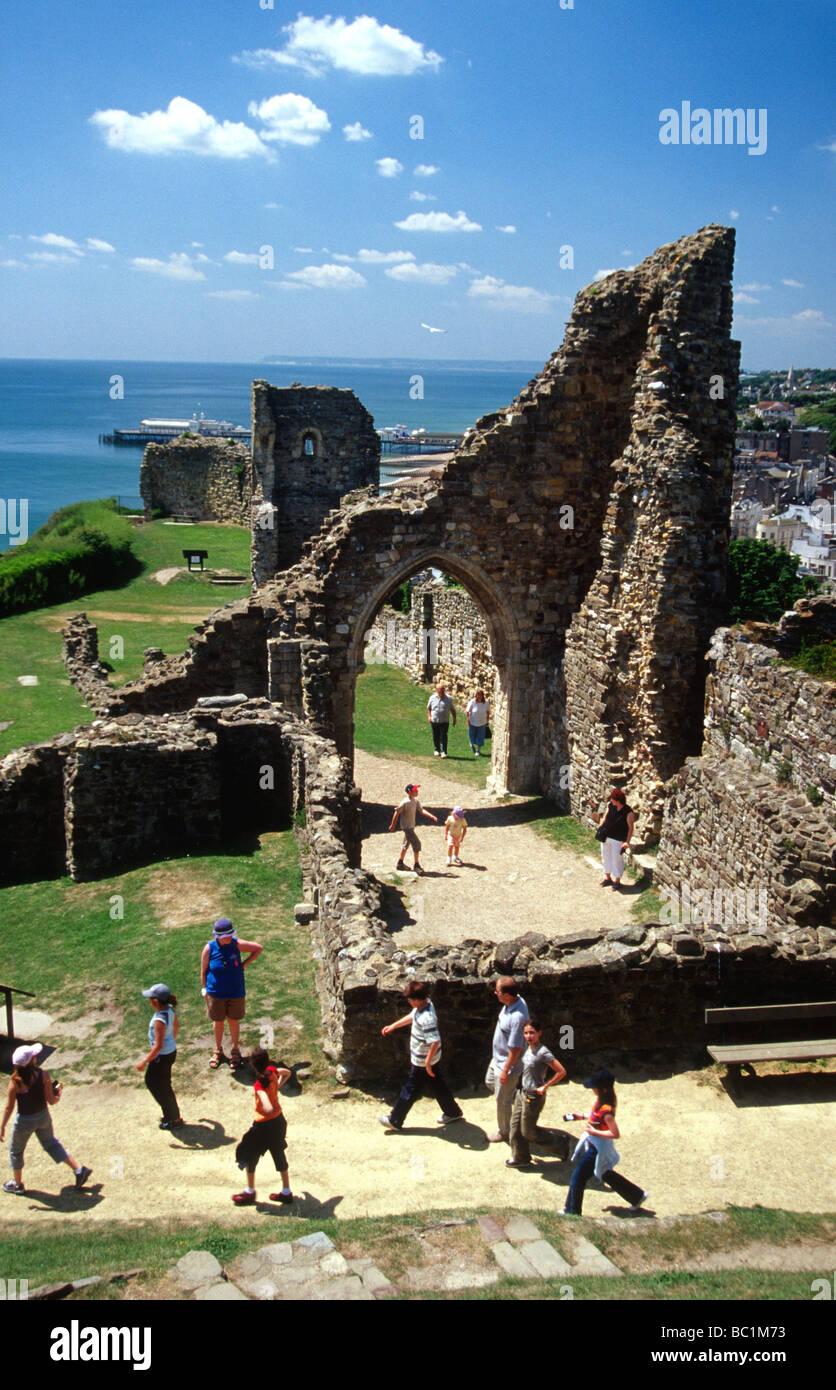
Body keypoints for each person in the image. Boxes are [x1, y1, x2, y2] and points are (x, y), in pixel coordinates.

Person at [1, 1044, 92, 1195]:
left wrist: (2, 1126)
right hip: (43, 1117)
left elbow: (9, 1107)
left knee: (16, 1151)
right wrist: (58, 1094)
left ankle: (17, 1184)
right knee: (51, 1144)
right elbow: (51, 1100)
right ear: (31, 1061)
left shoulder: (15, 1082)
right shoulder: (43, 1075)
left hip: (24, 1121)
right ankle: (78, 1170)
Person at [378, 981, 464, 1132]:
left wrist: (428, 1063)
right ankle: (453, 1112)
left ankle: (395, 1119)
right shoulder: (425, 1004)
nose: (409, 1002)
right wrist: (393, 1026)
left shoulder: (427, 1018)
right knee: (438, 1085)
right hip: (429, 1059)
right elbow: (412, 1017)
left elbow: (435, 1041)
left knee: (410, 1089)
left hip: (423, 1061)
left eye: (410, 999)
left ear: (417, 999)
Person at [561, 1068, 648, 1215]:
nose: (593, 1090)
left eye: (595, 1087)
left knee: (578, 1177)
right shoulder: (601, 1103)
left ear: (603, 1089)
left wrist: (593, 1131)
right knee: (604, 1173)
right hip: (595, 1145)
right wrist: (580, 1116)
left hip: (597, 1149)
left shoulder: (606, 1111)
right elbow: (595, 1117)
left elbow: (615, 1133)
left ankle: (572, 1212)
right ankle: (637, 1196)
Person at [232, 1048, 293, 1206]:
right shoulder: (273, 1071)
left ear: (252, 1065)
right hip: (279, 1121)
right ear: (267, 1061)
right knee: (278, 1154)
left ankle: (250, 1192)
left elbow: (267, 1107)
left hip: (263, 1126)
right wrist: (277, 1087)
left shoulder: (259, 1085)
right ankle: (286, 1192)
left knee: (248, 1154)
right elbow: (287, 1073)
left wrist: (268, 1105)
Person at [201, 918, 263, 1070]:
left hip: (235, 992)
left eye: (230, 935)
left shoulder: (236, 944)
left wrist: (243, 965)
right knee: (218, 1021)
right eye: (225, 937)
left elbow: (258, 948)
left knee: (234, 1020)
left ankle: (235, 1050)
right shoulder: (209, 949)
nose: (228, 939)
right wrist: (204, 989)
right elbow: (203, 971)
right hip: (216, 993)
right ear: (218, 937)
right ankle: (218, 1050)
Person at [506, 1019, 568, 1167]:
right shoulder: (527, 1049)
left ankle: (561, 1144)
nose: (529, 1036)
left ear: (539, 1033)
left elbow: (561, 1072)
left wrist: (545, 1086)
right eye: (526, 1033)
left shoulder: (543, 1052)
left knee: (528, 1132)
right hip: (522, 1093)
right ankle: (521, 1158)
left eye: (532, 1033)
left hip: (533, 1097)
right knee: (514, 1127)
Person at [485, 976, 529, 1143]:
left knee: (502, 1101)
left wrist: (505, 1071)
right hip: (497, 1059)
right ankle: (512, 1100)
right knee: (490, 1083)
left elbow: (516, 1048)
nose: (495, 993)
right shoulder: (513, 1002)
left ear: (507, 995)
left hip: (507, 1064)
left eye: (497, 991)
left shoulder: (518, 1017)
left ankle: (505, 1132)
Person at [136, 983, 182, 1130]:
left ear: (155, 1002)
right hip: (169, 1053)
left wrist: (144, 1061)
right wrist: (171, 1042)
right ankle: (173, 1115)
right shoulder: (170, 1010)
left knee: (153, 1083)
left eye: (150, 999)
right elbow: (176, 1027)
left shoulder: (159, 1021)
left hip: (161, 1057)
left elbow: (158, 1046)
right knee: (164, 1085)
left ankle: (172, 1118)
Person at [389, 782, 438, 873]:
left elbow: (421, 810)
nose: (417, 791)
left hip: (411, 826)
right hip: (407, 827)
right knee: (416, 844)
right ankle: (416, 865)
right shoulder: (405, 802)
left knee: (406, 844)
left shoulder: (415, 801)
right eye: (415, 790)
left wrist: (431, 816)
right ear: (409, 792)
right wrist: (393, 824)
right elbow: (397, 812)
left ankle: (400, 863)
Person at [594, 788, 635, 890]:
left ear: (618, 800)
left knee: (616, 859)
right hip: (606, 836)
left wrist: (627, 842)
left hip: (618, 839)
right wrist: (600, 826)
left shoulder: (628, 812)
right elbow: (605, 817)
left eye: (613, 799)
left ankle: (617, 881)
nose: (611, 800)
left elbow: (630, 828)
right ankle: (608, 878)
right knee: (606, 857)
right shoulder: (610, 806)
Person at [427, 681, 456, 758]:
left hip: (444, 721)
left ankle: (444, 752)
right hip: (434, 720)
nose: (442, 691)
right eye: (440, 690)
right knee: (435, 736)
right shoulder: (432, 698)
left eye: (443, 689)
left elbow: (453, 710)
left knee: (443, 736)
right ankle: (437, 750)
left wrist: (454, 719)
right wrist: (429, 716)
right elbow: (429, 708)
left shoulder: (448, 698)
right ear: (437, 690)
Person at [465, 688, 490, 757]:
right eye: (477, 695)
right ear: (475, 695)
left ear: (482, 696)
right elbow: (467, 711)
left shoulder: (486, 703)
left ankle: (478, 750)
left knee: (480, 737)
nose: (479, 697)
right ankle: (471, 744)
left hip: (482, 723)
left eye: (480, 695)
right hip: (473, 722)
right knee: (472, 736)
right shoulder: (472, 702)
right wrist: (468, 720)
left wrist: (487, 720)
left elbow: (488, 712)